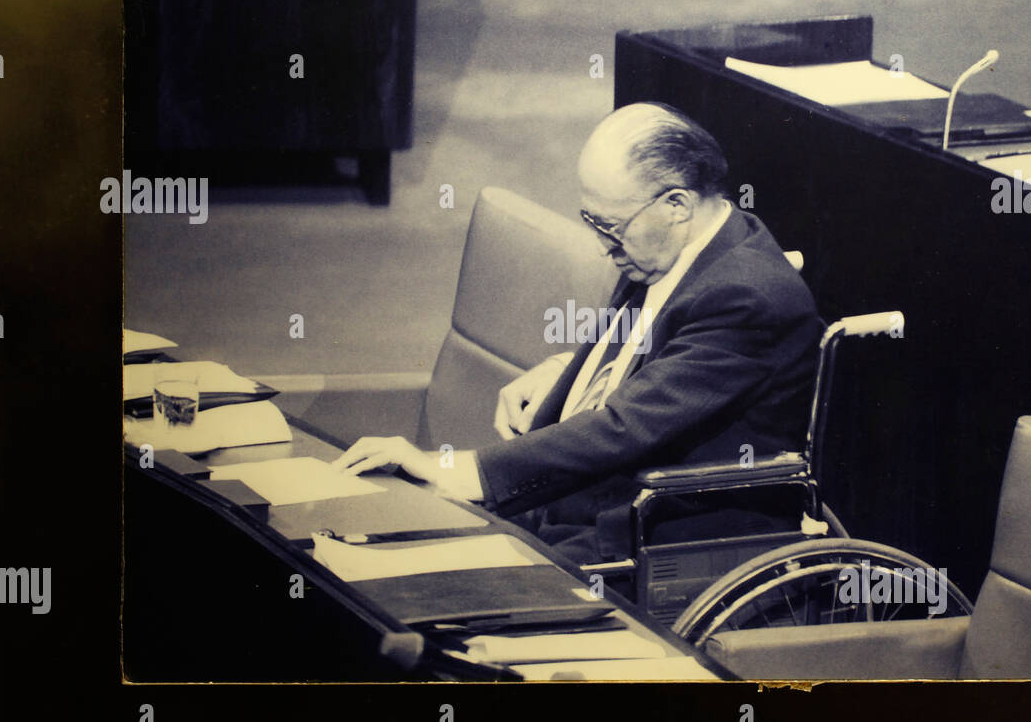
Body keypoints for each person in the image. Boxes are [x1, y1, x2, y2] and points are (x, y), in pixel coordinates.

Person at [333, 102, 821, 564]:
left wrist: (457, 471)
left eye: (609, 226)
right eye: (590, 220)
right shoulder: (667, 249)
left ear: (677, 204)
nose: (601, 244)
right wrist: (566, 366)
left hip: (634, 540)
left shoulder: (748, 297)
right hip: (568, 507)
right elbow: (665, 361)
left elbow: (625, 427)